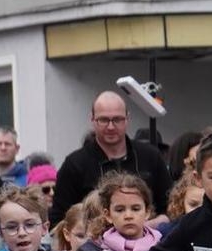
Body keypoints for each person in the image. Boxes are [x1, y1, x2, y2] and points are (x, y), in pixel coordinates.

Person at [48, 92, 173, 227]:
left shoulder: (151, 156)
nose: (111, 127)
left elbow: (171, 207)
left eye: (117, 119)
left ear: (127, 119)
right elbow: (59, 220)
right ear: (92, 119)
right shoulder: (75, 164)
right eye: (104, 120)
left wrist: (149, 227)